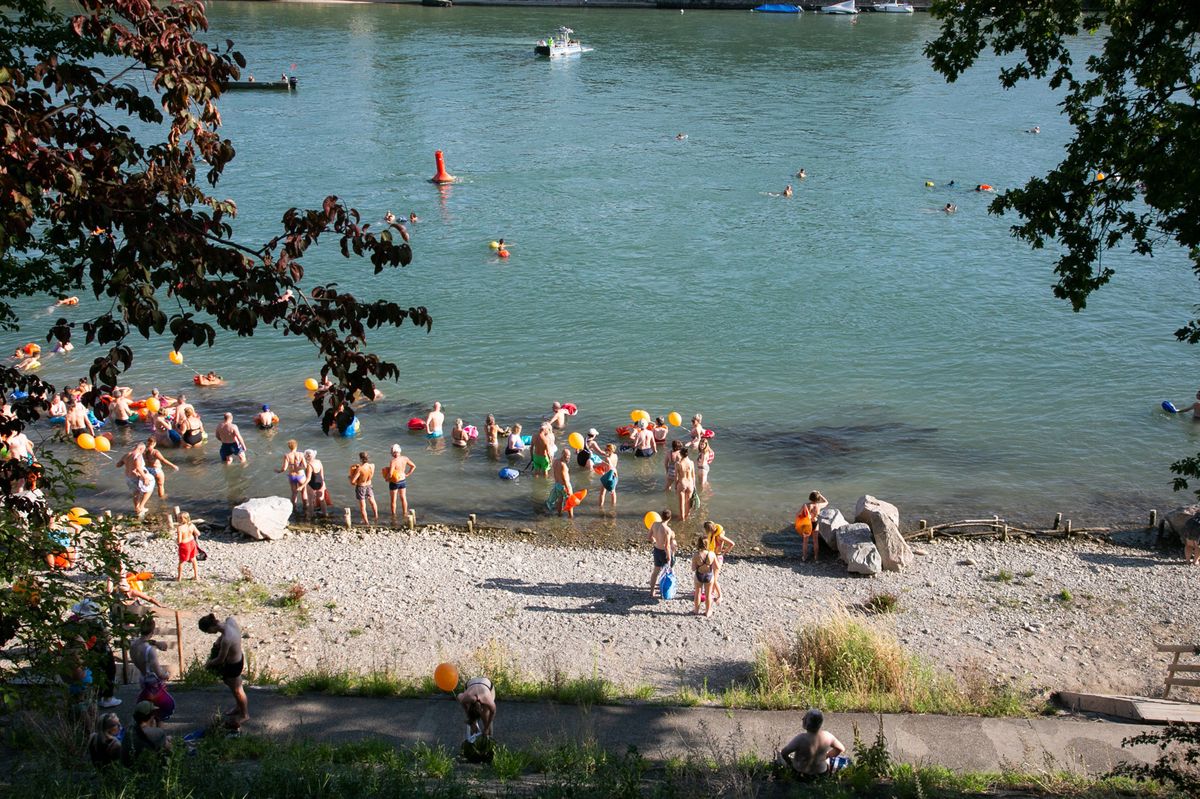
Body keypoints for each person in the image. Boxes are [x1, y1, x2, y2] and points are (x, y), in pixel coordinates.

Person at [199, 613, 248, 729]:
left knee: (237, 690)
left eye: (207, 632)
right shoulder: (229, 621)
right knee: (234, 686)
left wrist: (208, 664)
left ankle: (245, 714)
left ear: (211, 628)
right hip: (239, 658)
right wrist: (218, 640)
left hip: (233, 665)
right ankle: (238, 706)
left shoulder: (226, 639)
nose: (208, 634)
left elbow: (220, 660)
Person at [131, 615, 176, 723]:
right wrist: (166, 675)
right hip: (152, 683)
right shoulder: (150, 651)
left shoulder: (134, 643)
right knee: (163, 709)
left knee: (146, 707)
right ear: (153, 630)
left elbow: (143, 641)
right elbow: (159, 672)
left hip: (142, 677)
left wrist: (156, 643)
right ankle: (157, 732)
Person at [778, 709, 847, 778]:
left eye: (805, 717)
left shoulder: (800, 738)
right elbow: (840, 748)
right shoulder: (828, 736)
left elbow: (784, 753)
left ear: (806, 723)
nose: (802, 719)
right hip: (821, 773)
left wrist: (790, 763)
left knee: (779, 753)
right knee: (827, 758)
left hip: (801, 774)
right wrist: (827, 756)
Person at [116, 442, 155, 517]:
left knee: (135, 494)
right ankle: (141, 507)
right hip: (136, 478)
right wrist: (145, 477)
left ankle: (137, 509)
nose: (143, 452)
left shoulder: (127, 455)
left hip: (128, 478)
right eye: (143, 450)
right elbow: (138, 467)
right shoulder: (138, 455)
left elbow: (118, 465)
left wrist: (127, 464)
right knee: (149, 490)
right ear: (141, 448)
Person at [703, 521, 734, 604]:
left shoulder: (719, 536)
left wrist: (725, 552)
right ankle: (712, 591)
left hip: (718, 557)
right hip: (713, 556)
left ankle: (720, 596)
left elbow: (732, 544)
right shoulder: (714, 534)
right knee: (711, 575)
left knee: (714, 579)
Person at [648, 510, 676, 597]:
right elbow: (667, 546)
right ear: (670, 518)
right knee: (667, 571)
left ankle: (652, 592)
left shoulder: (654, 524)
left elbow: (649, 537)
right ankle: (665, 590)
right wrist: (669, 557)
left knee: (655, 571)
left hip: (656, 550)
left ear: (661, 516)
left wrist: (655, 541)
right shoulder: (667, 530)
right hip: (664, 552)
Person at [385, 444, 416, 519]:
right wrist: (407, 474)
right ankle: (405, 514)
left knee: (393, 500)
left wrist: (386, 478)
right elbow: (413, 466)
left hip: (395, 481)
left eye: (392, 452)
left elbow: (391, 473)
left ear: (394, 452)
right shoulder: (405, 458)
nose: (392, 454)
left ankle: (393, 516)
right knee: (403, 498)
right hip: (402, 480)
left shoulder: (393, 461)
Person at [348, 450, 378, 524]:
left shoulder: (360, 469)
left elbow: (353, 482)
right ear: (368, 458)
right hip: (369, 485)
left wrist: (350, 477)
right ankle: (376, 517)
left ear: (361, 459)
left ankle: (366, 522)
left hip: (361, 487)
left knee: (363, 506)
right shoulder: (372, 466)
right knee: (372, 502)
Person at [278, 439, 308, 508]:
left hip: (292, 476)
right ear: (296, 446)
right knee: (304, 492)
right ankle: (305, 507)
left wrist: (278, 471)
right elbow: (305, 466)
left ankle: (294, 508)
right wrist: (298, 466)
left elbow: (284, 469)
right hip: (301, 475)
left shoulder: (287, 455)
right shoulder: (301, 454)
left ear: (289, 447)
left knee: (294, 493)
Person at [692, 536, 717, 617]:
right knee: (708, 594)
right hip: (709, 575)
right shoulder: (712, 554)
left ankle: (696, 610)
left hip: (699, 575)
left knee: (697, 594)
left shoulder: (696, 555)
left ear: (698, 543)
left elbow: (693, 568)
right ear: (708, 544)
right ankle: (707, 611)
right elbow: (717, 566)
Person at [547, 447, 574, 517]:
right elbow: (565, 479)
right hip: (564, 486)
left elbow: (555, 473)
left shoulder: (555, 461)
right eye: (567, 456)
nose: (568, 458)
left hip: (557, 485)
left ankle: (559, 514)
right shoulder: (563, 465)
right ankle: (571, 517)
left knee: (560, 500)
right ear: (563, 455)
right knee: (569, 502)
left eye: (569, 456)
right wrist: (568, 489)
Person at [304, 449, 329, 517]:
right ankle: (325, 514)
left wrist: (302, 486)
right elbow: (322, 474)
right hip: (320, 482)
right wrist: (323, 483)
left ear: (306, 456)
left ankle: (311, 515)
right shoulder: (319, 461)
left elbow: (308, 478)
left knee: (310, 501)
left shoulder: (309, 465)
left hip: (312, 483)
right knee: (322, 499)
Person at [176, 511, 200, 581]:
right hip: (192, 543)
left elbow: (179, 541)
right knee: (194, 559)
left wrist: (176, 541)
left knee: (182, 561)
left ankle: (179, 578)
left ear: (181, 519)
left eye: (178, 518)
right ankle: (196, 576)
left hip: (184, 545)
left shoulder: (180, 528)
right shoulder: (192, 525)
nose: (177, 520)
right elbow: (198, 533)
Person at [597, 443, 619, 511]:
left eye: (607, 449)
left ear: (610, 450)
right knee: (613, 492)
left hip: (608, 476)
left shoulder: (607, 458)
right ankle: (613, 507)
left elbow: (609, 467)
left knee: (602, 493)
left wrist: (598, 465)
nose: (605, 450)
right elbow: (614, 466)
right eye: (605, 449)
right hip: (614, 475)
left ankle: (600, 508)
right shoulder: (616, 456)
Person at [675, 451, 696, 522]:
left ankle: (682, 518)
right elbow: (693, 475)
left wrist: (675, 485)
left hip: (682, 483)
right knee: (688, 502)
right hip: (690, 483)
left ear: (681, 454)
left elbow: (676, 477)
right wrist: (694, 485)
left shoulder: (678, 464)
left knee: (681, 502)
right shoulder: (691, 462)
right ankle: (687, 515)